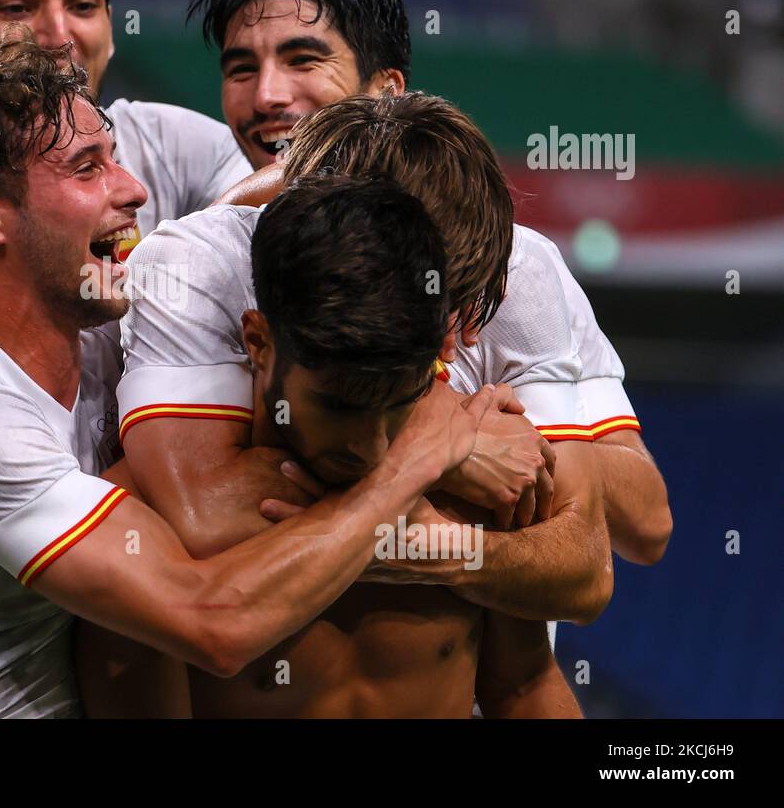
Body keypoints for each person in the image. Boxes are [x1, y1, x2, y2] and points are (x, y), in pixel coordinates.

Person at [0, 37, 498, 717]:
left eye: (116, 158)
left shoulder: (101, 346)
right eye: (88, 168)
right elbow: (213, 622)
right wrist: (413, 464)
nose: (135, 189)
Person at [84, 96, 603, 716]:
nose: (371, 446)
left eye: (398, 403)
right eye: (339, 405)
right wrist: (407, 507)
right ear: (257, 342)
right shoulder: (140, 525)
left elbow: (528, 681)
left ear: (441, 346)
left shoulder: (489, 457)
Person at [192, 0, 670, 566]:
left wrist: (509, 449)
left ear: (387, 95)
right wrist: (447, 449)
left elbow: (645, 525)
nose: (267, 95)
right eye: (241, 68)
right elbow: (188, 503)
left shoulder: (517, 264)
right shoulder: (206, 258)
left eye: (303, 60)